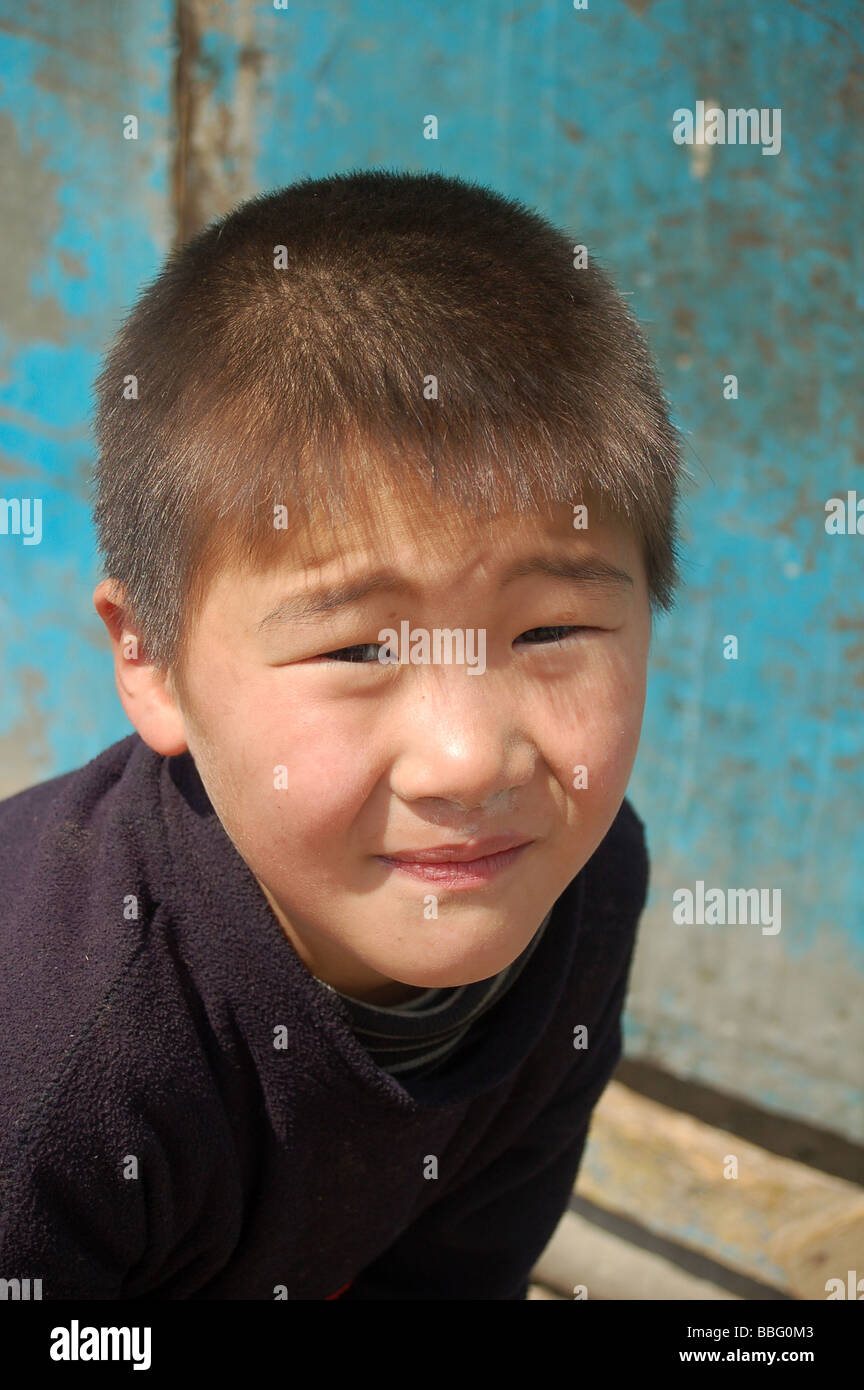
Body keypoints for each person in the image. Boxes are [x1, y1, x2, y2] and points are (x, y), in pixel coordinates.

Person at [0, 169, 683, 1299]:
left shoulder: (586, 888)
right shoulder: (61, 1078)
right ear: (152, 660)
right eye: (360, 650)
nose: (470, 762)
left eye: (552, 628)